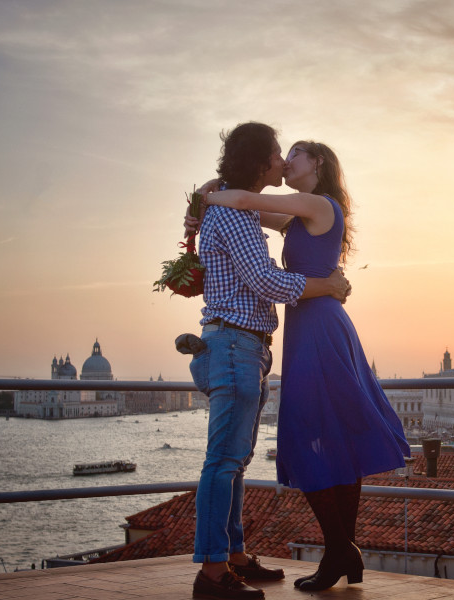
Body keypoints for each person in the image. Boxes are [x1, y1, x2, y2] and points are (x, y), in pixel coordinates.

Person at [200, 140, 410, 592]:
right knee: (332, 432)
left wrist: (210, 195)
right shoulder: (299, 215)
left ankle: (339, 549)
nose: (286, 161)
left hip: (318, 325)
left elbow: (243, 201)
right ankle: (343, 550)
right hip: (310, 323)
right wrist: (211, 191)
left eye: (294, 153)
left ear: (317, 162)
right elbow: (246, 207)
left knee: (308, 429)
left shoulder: (317, 203)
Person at [186, 123, 352, 600]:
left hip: (245, 347)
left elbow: (231, 202)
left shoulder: (244, 209)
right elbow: (267, 281)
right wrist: (328, 285)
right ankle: (213, 573)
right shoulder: (236, 214)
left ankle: (234, 555)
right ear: (261, 162)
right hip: (235, 346)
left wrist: (203, 199)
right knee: (224, 461)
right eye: (278, 153)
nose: (283, 161)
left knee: (235, 461)